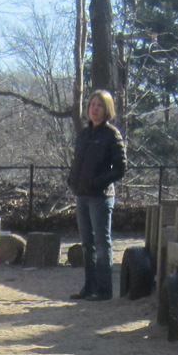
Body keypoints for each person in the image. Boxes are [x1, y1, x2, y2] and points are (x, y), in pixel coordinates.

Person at [68, 90, 127, 301]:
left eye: (99, 105)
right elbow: (77, 162)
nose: (94, 109)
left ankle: (104, 289)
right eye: (92, 104)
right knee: (87, 244)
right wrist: (72, 180)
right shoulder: (84, 134)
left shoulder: (112, 135)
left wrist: (97, 182)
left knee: (102, 243)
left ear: (107, 109)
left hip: (101, 197)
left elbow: (121, 168)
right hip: (82, 195)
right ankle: (89, 287)